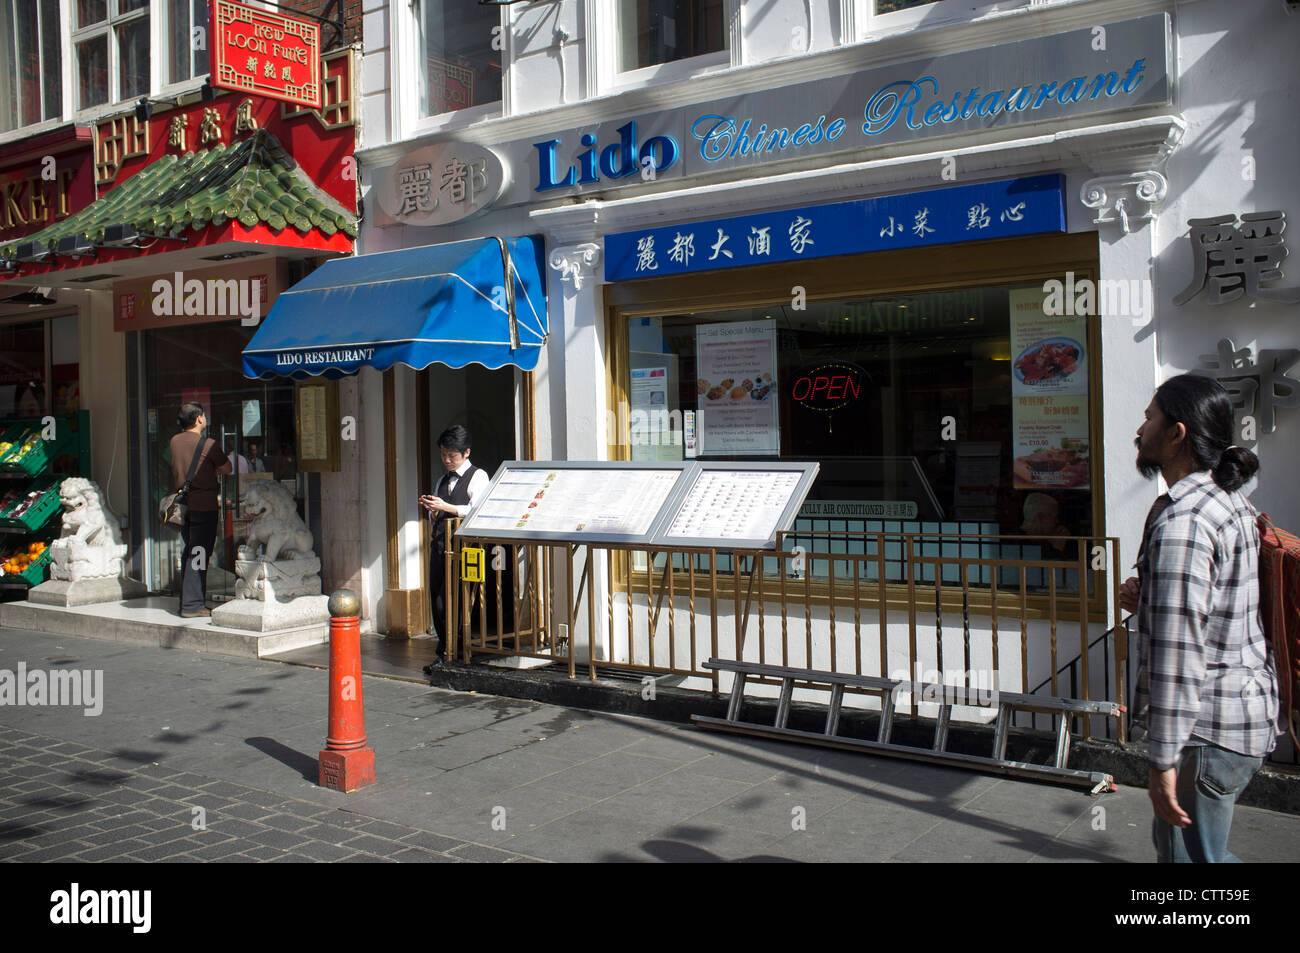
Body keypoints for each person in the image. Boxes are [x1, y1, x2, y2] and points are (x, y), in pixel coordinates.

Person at [1119, 374, 1279, 863]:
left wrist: (1161, 760)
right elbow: (1221, 603)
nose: (1139, 429)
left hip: (1206, 730)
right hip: (1240, 715)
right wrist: (1152, 598)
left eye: (1149, 417)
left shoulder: (1184, 521)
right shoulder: (1228, 501)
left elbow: (1179, 654)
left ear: (1177, 434)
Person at [418, 426, 489, 661]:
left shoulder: (478, 476)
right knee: (437, 599)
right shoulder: (442, 480)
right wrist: (432, 509)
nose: (447, 460)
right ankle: (444, 649)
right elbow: (436, 518)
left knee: (458, 600)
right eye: (443, 455)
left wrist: (445, 507)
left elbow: (477, 511)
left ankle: (459, 650)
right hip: (439, 547)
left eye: (452, 456)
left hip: (463, 550)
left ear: (466, 453)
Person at [170, 402, 233, 618]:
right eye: (203, 416)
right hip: (204, 505)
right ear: (198, 418)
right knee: (198, 553)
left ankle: (190, 600)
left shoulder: (175, 441)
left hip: (184, 505)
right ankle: (193, 604)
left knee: (191, 550)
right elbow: (227, 467)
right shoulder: (208, 444)